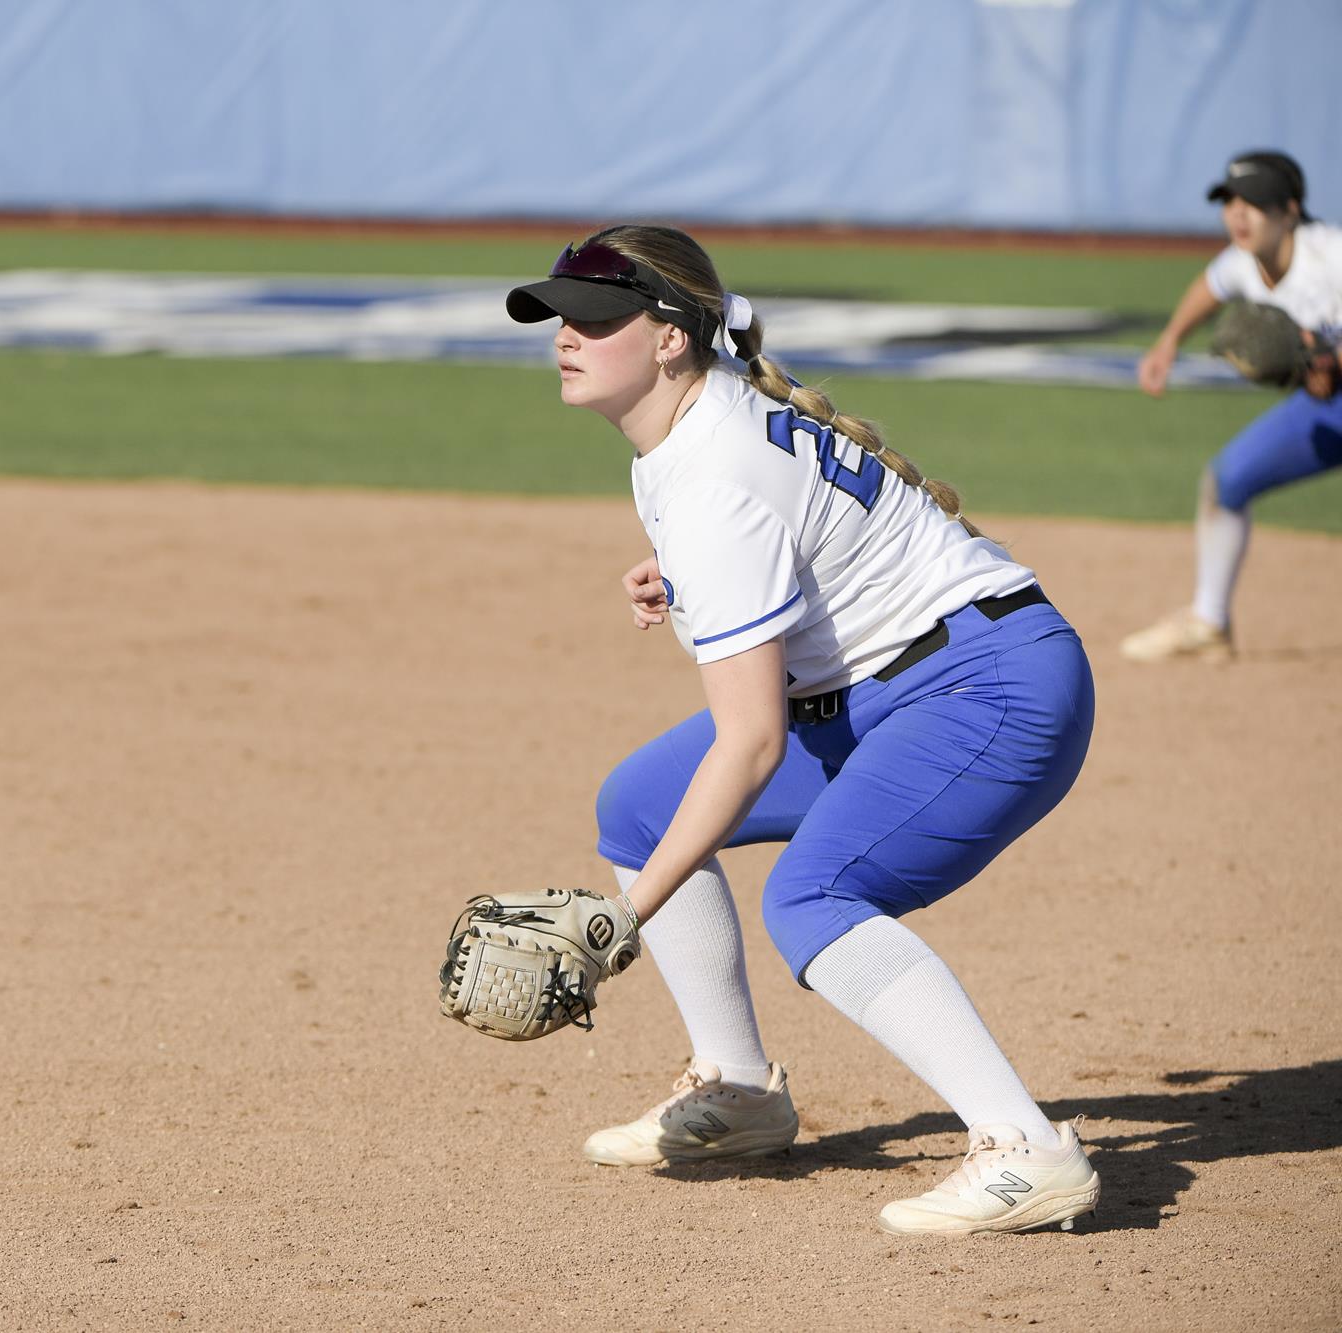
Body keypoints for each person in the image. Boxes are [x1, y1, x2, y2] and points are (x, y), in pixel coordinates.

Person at [503, 225, 1100, 1236]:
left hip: (989, 688)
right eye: (558, 315)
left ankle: (1022, 1146)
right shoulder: (681, 434)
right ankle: (737, 1093)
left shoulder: (709, 473)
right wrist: (686, 581)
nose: (567, 334)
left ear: (667, 338)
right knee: (639, 807)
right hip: (891, 680)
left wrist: (621, 921)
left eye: (596, 316)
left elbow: (750, 745)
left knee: (814, 896)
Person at [1124, 151, 1341, 662]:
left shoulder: (1331, 256)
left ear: (1290, 210)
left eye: (1256, 203)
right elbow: (1211, 286)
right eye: (1230, 202)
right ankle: (1209, 624)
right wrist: (1168, 342)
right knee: (1227, 480)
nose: (1239, 215)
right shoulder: (1243, 262)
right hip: (1328, 412)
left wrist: (1331, 357)